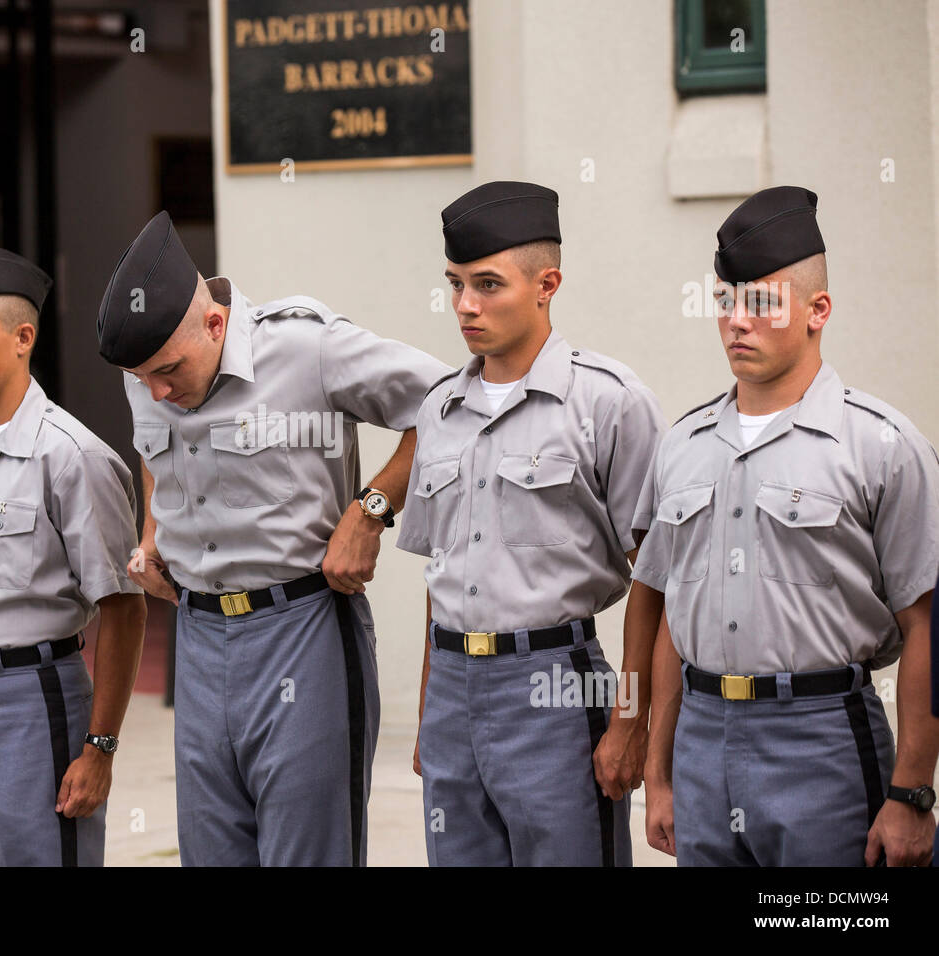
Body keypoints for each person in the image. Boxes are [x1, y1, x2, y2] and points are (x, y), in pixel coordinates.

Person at [96, 211, 450, 865]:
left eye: (169, 370)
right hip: (198, 639)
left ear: (214, 322)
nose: (158, 391)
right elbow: (155, 449)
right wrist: (153, 532)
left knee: (305, 852)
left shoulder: (305, 346)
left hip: (302, 631)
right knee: (211, 851)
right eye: (143, 379)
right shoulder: (148, 373)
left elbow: (448, 405)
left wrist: (370, 509)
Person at [630, 187, 939, 865]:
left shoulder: (881, 446)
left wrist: (913, 791)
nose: (737, 321)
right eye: (724, 301)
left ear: (817, 311)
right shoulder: (683, 445)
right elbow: (669, 624)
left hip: (821, 743)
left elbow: (926, 624)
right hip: (703, 742)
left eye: (761, 302)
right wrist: (659, 773)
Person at [396, 181, 664, 866]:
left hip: (558, 685)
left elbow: (661, 581)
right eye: (455, 284)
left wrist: (632, 720)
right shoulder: (440, 410)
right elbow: (443, 574)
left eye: (487, 285)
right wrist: (432, 709)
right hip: (456, 688)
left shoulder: (608, 402)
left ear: (548, 284)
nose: (464, 306)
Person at [0, 243, 146, 866]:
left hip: (27, 705)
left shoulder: (73, 457)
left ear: (22, 337)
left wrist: (100, 748)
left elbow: (123, 610)